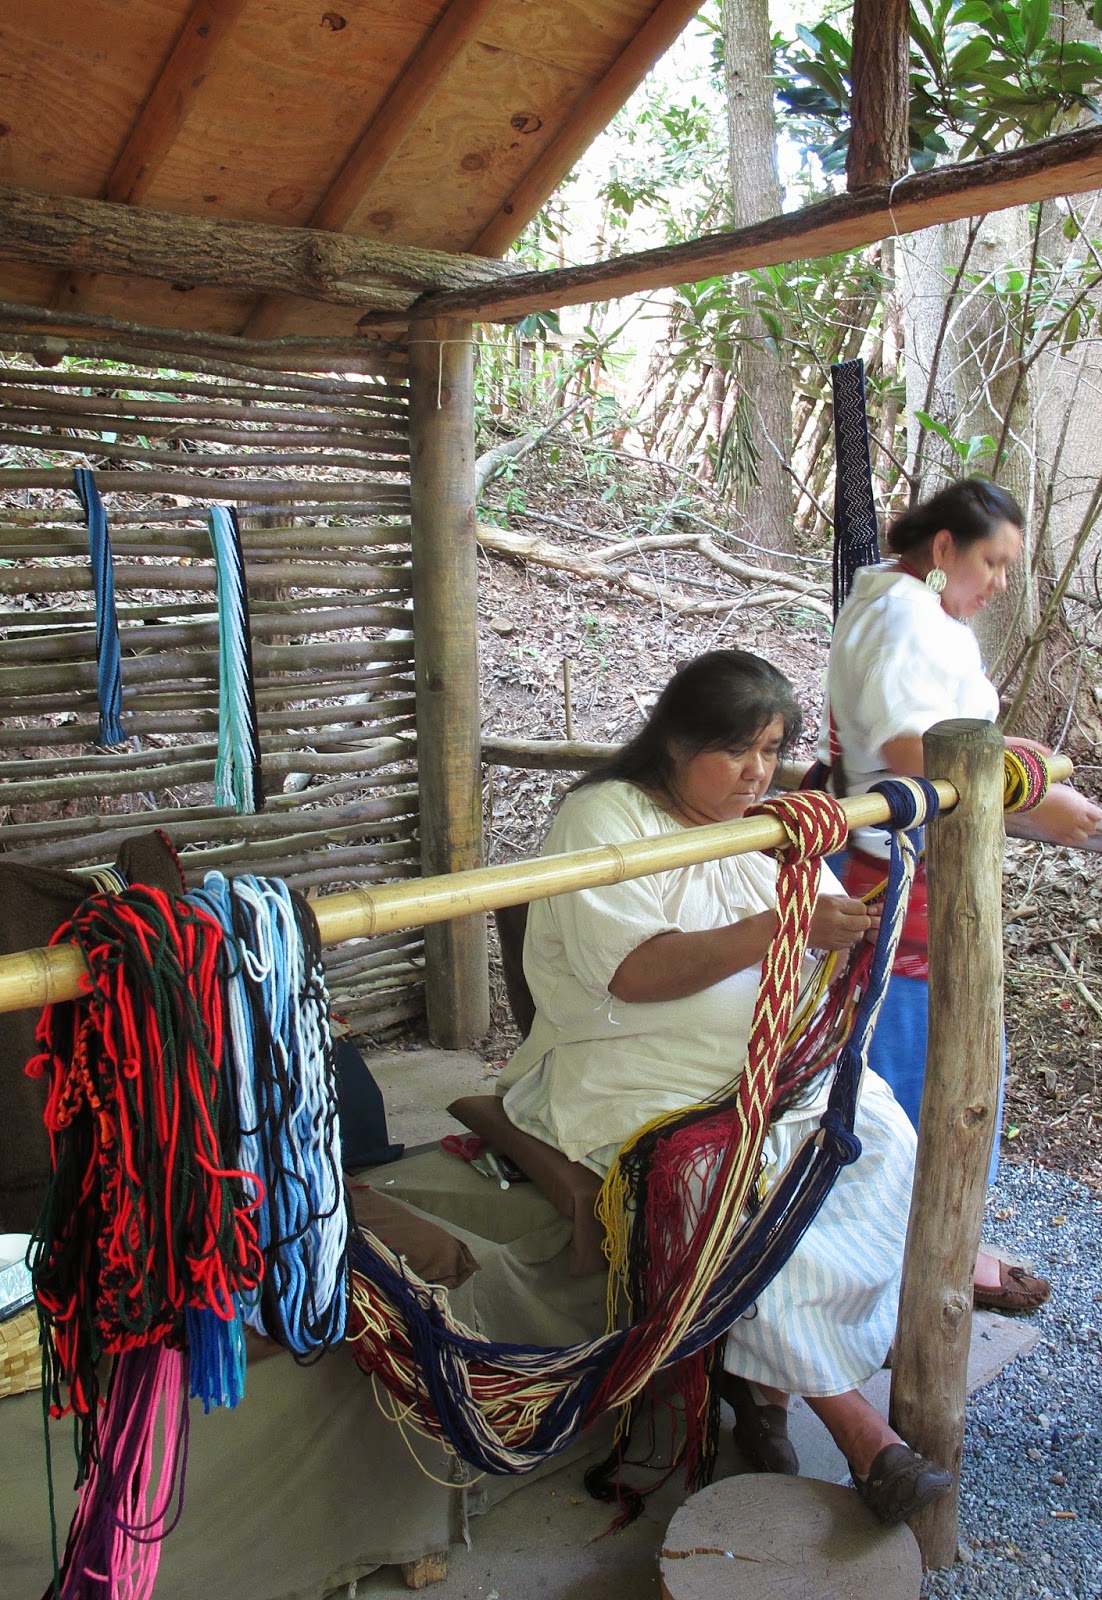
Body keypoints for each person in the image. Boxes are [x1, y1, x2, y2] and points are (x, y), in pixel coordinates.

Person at [497, 649, 952, 1525]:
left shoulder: (768, 823)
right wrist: (781, 925)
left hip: (771, 1072)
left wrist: (849, 929)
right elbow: (633, 974)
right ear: (675, 740)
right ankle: (862, 1435)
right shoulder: (602, 820)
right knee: (730, 1192)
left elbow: (816, 925)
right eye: (736, 750)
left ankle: (768, 1392)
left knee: (879, 1138)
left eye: (772, 748)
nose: (757, 772)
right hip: (633, 1079)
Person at [822, 476, 1102, 1313]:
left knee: (931, 1058)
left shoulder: (904, 605)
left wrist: (1006, 755)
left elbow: (948, 734)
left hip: (916, 869)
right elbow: (921, 754)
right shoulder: (904, 616)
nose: (1002, 582)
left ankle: (928, 1238)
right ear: (942, 550)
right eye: (993, 561)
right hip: (897, 877)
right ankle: (911, 1254)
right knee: (913, 1071)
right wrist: (1058, 813)